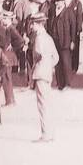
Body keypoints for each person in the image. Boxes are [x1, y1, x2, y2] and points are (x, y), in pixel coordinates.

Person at [28, 12, 59, 142]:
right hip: (47, 74)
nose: (31, 26)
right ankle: (49, 133)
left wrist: (39, 67)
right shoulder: (48, 38)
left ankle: (45, 134)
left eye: (33, 23)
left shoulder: (39, 38)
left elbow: (38, 56)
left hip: (40, 74)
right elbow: (56, 58)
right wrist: (48, 67)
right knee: (47, 103)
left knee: (42, 105)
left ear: (39, 24)